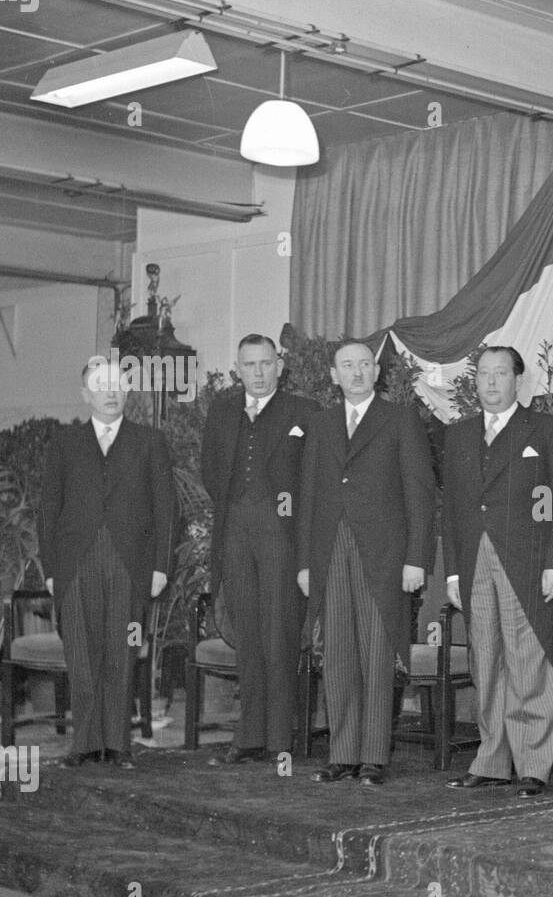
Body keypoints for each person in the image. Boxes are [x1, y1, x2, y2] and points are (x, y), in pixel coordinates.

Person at [441, 346, 553, 797]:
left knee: (529, 663)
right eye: (483, 374)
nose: (491, 382)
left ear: (518, 379)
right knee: (485, 660)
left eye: (500, 373)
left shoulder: (545, 429)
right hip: (474, 562)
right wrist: (451, 573)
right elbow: (453, 509)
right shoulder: (458, 435)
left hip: (530, 562)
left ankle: (533, 765)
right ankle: (492, 759)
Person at [297, 339, 435, 785]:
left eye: (364, 365)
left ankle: (374, 756)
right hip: (330, 549)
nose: (356, 372)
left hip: (384, 554)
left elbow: (420, 494)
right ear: (333, 376)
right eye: (346, 366)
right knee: (336, 652)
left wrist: (416, 559)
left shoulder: (400, 419)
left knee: (378, 653)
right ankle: (342, 754)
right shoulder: (319, 425)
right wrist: (304, 563)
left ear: (376, 372)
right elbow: (308, 496)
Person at [39, 356, 176, 769]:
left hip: (129, 564)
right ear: (86, 395)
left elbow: (166, 508)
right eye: (101, 385)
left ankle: (117, 743)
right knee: (80, 654)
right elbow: (48, 509)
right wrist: (50, 570)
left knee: (123, 652)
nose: (111, 392)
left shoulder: (149, 441)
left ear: (127, 391)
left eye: (118, 384)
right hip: (75, 563)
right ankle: (83, 743)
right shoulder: (63, 443)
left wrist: (160, 567)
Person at [200, 334, 318, 765]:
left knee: (280, 634)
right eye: (249, 365)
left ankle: (278, 739)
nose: (258, 372)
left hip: (282, 536)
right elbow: (211, 469)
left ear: (279, 366)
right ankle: (248, 735)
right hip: (234, 532)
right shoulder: (222, 410)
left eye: (266, 363)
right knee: (248, 635)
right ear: (238, 368)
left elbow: (314, 479)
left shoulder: (303, 412)